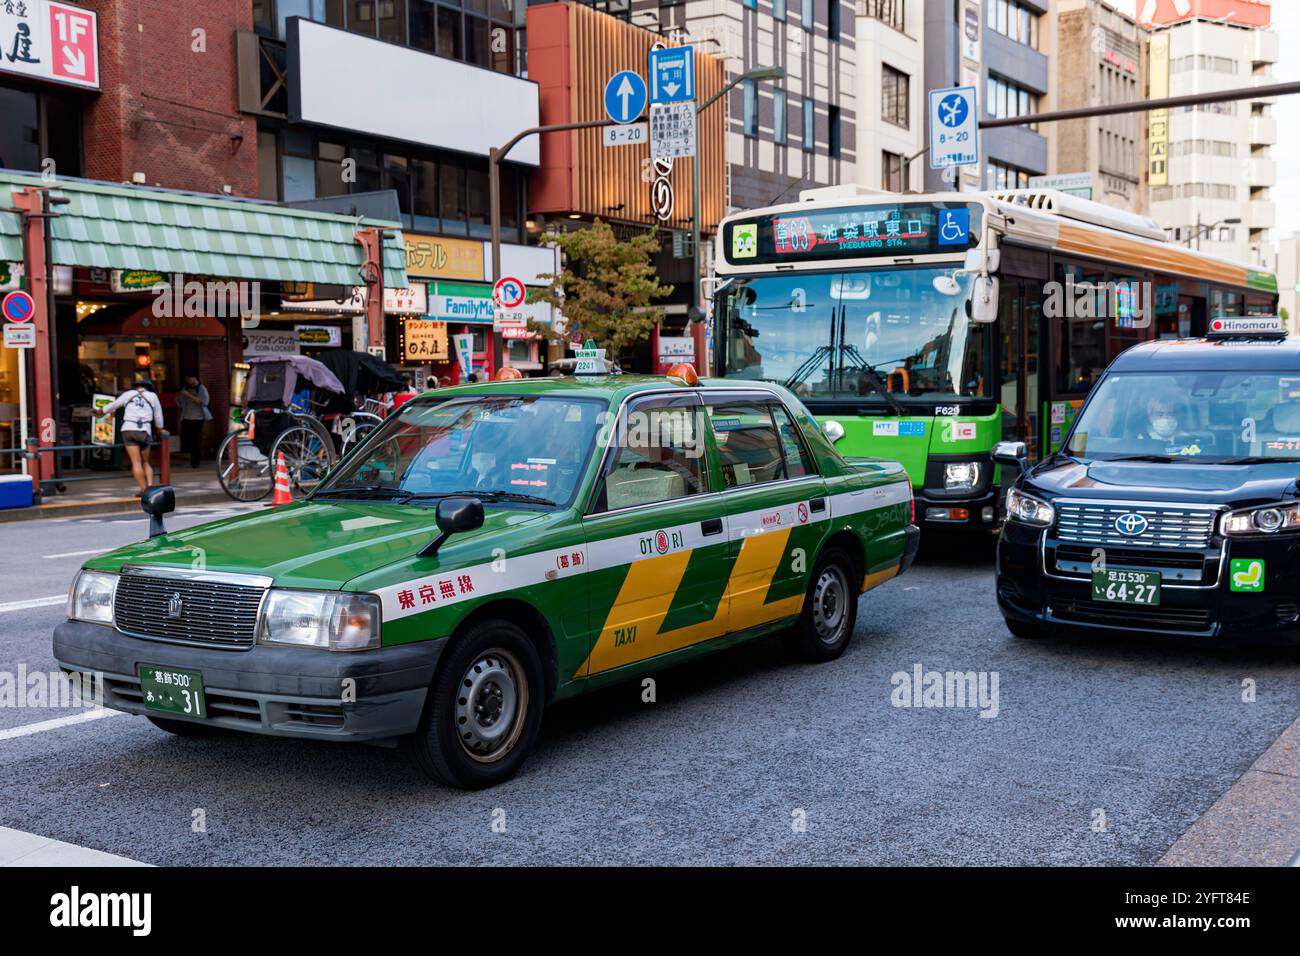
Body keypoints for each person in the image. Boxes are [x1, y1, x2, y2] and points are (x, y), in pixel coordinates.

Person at [101, 378, 165, 493]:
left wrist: (100, 411)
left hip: (129, 429)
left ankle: (143, 489)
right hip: (145, 430)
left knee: (136, 462)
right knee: (146, 461)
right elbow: (158, 415)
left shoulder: (129, 394)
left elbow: (113, 405)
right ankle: (150, 487)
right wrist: (160, 429)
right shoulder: (153, 396)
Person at [177, 371, 212, 468]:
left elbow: (203, 402)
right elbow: (181, 403)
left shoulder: (201, 388)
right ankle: (191, 457)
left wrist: (188, 395)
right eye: (186, 379)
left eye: (189, 378)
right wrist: (178, 397)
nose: (188, 381)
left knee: (195, 440)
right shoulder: (186, 388)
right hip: (186, 417)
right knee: (185, 437)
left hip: (198, 418)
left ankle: (195, 462)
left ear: (194, 378)